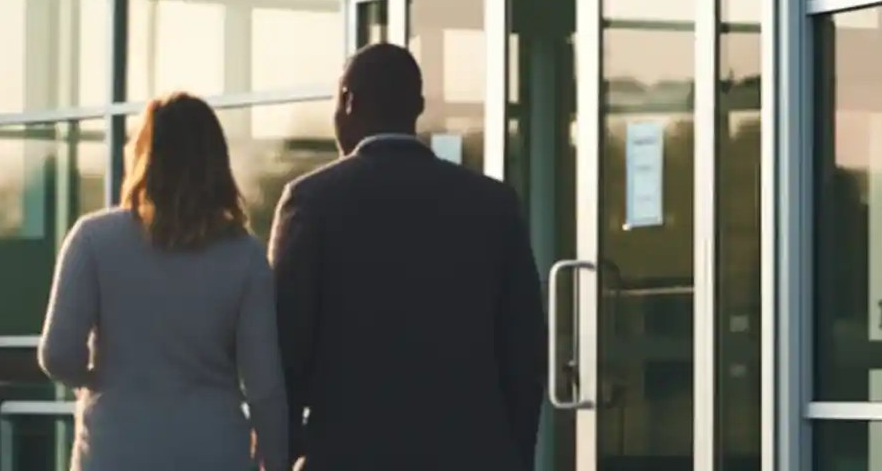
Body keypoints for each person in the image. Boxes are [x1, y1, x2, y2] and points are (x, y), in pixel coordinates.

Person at [268, 43, 546, 471]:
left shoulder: (311, 202)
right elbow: (523, 351)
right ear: (417, 106)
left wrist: (281, 453)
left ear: (348, 102)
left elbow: (285, 349)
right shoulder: (493, 205)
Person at [38, 93, 289, 471]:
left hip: (118, 446)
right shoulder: (244, 255)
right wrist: (276, 456)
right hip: (213, 447)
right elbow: (264, 382)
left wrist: (96, 379)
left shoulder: (93, 239)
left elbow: (57, 353)